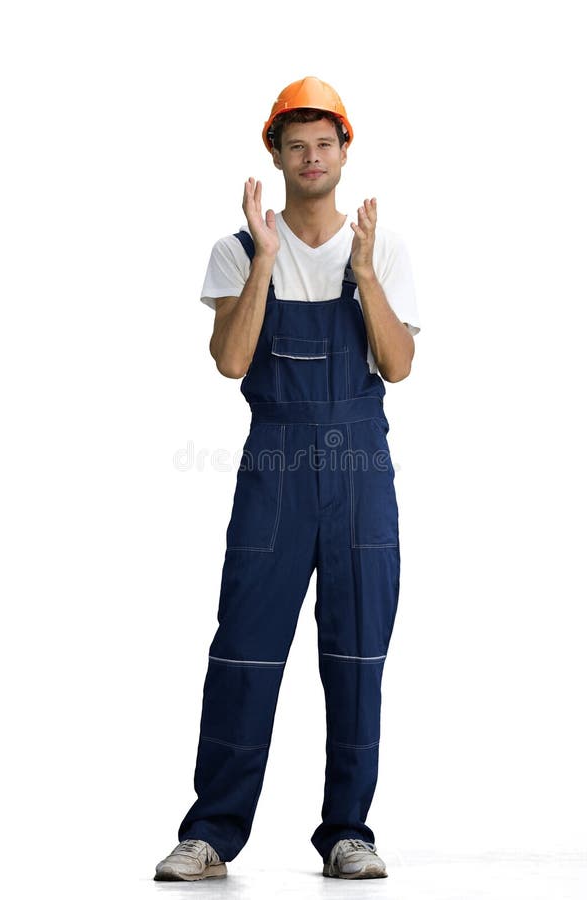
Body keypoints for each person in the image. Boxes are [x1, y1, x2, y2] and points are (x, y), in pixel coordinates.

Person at [154, 75, 421, 882]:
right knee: (244, 650)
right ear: (274, 152)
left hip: (359, 475)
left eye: (324, 144)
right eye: (295, 145)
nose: (311, 157)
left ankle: (349, 832)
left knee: (356, 654)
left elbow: (400, 368)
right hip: (274, 470)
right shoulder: (237, 249)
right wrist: (266, 259)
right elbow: (232, 360)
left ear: (345, 151)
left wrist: (367, 274)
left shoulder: (384, 250)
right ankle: (210, 833)